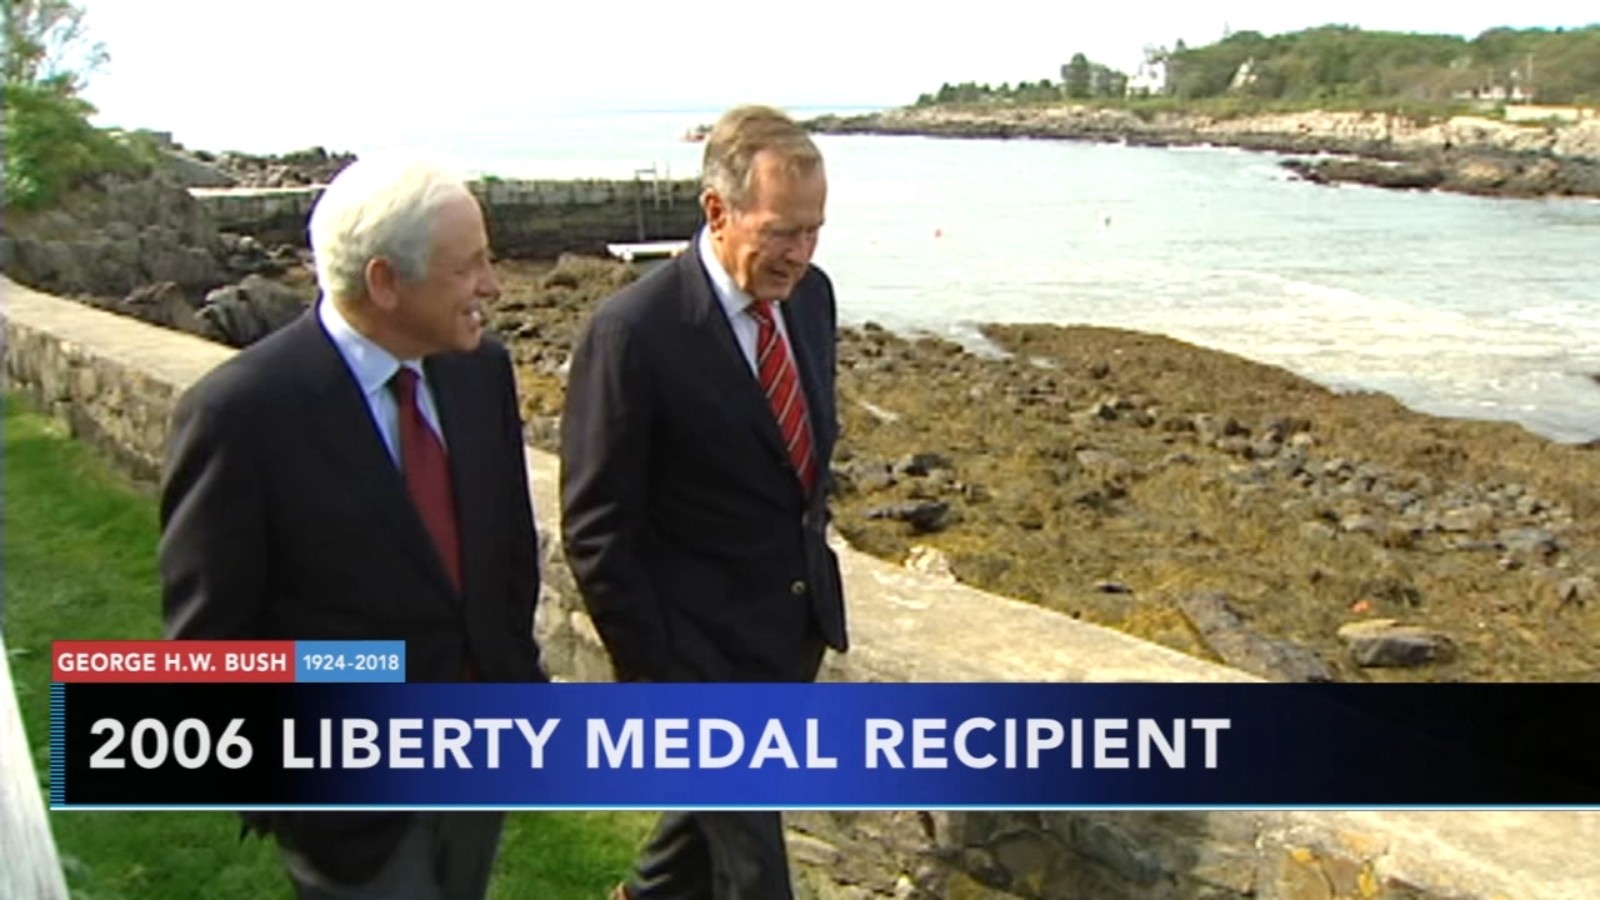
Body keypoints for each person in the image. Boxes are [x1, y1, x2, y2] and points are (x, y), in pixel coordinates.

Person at [158, 156, 546, 900]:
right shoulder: (241, 416)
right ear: (384, 282)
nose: (492, 286)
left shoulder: (479, 371)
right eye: (468, 267)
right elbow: (209, 645)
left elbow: (503, 555)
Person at [559, 104, 848, 900]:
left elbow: (799, 472)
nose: (801, 252)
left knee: (693, 847)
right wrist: (655, 677)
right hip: (698, 665)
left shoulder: (813, 300)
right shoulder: (632, 334)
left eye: (814, 229)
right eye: (784, 230)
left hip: (790, 636)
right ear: (717, 212)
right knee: (755, 876)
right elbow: (595, 529)